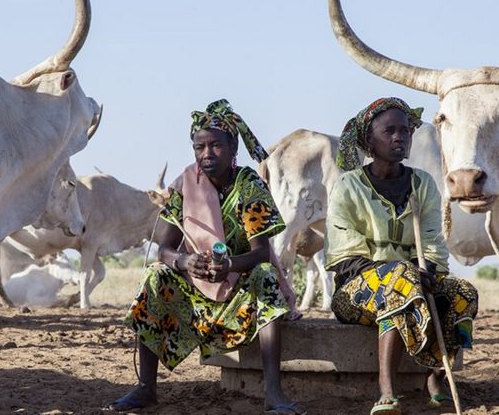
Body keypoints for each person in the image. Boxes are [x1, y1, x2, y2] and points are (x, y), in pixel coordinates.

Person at [106, 99, 305, 414]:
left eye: (215, 146)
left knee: (266, 277)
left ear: (232, 147)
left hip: (238, 289)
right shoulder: (186, 185)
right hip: (195, 292)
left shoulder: (249, 185)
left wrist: (229, 266)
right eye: (199, 147)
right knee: (156, 275)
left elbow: (261, 253)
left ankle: (273, 392)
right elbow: (165, 249)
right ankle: (146, 388)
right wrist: (186, 262)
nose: (207, 154)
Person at [325, 97, 478, 415]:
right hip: (356, 292)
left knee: (463, 293)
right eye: (389, 131)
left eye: (405, 131)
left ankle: (436, 376)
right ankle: (387, 389)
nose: (400, 137)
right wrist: (400, 272)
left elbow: (434, 242)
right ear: (369, 141)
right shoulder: (348, 186)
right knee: (399, 282)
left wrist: (430, 274)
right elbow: (345, 256)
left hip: (418, 281)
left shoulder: (422, 184)